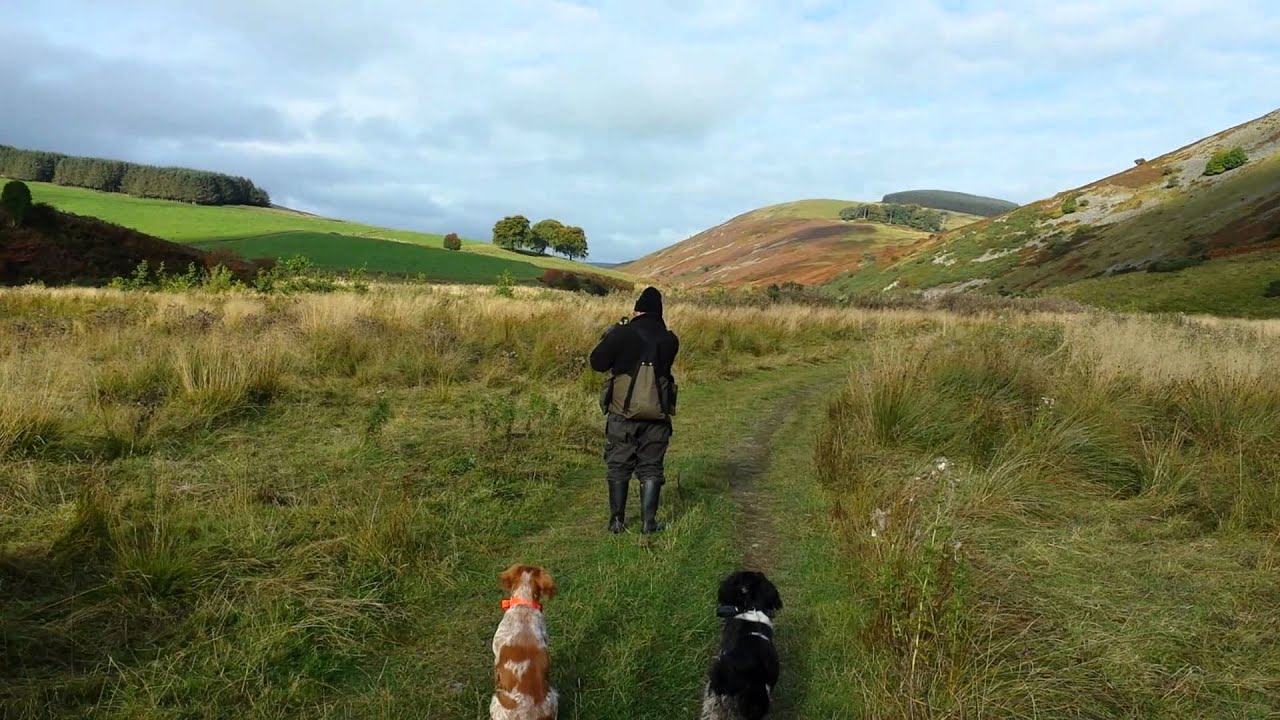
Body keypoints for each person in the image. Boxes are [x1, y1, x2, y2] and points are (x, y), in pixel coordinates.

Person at [589, 286, 680, 534]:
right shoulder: (670, 339)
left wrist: (611, 334)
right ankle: (648, 523)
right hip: (657, 414)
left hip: (621, 413)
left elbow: (597, 363)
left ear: (637, 309)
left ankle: (617, 521)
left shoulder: (622, 334)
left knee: (618, 464)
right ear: (659, 312)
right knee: (651, 466)